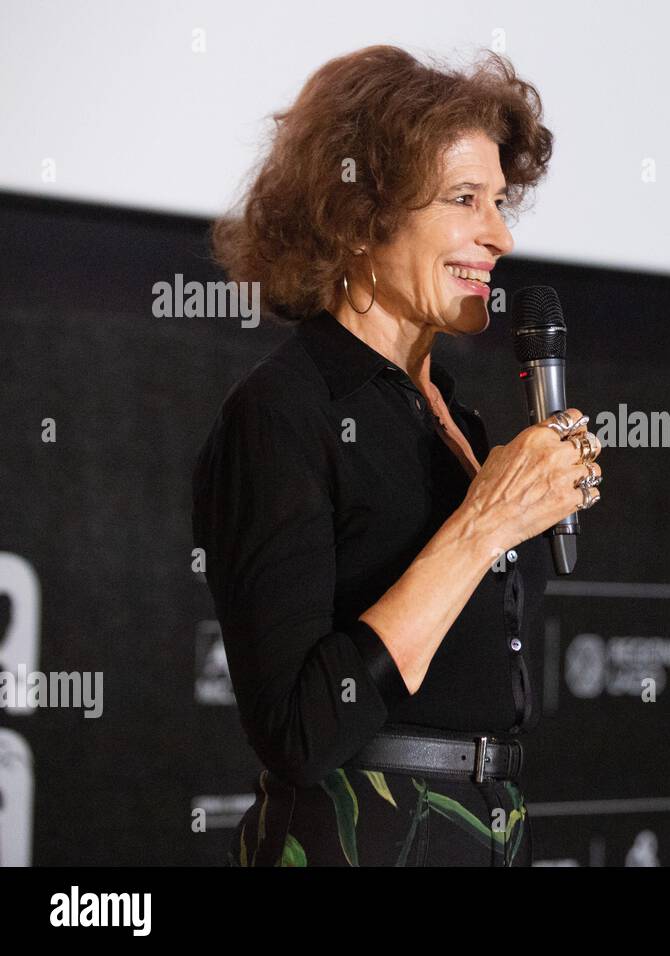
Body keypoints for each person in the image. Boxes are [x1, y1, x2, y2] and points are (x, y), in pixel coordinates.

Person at [192, 45, 603, 867]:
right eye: (464, 200)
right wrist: (483, 525)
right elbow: (301, 732)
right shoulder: (283, 413)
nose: (501, 236)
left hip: (491, 834)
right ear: (358, 219)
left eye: (499, 201)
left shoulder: (465, 420)